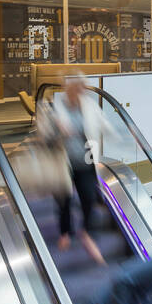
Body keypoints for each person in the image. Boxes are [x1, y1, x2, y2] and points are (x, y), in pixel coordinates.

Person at [39, 75, 109, 257]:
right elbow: (44, 137)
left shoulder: (88, 106)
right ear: (68, 89)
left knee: (89, 196)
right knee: (64, 199)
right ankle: (65, 233)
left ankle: (85, 230)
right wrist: (58, 133)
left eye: (82, 88)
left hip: (84, 159)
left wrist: (127, 138)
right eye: (77, 88)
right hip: (62, 162)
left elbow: (104, 125)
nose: (80, 92)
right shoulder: (53, 108)